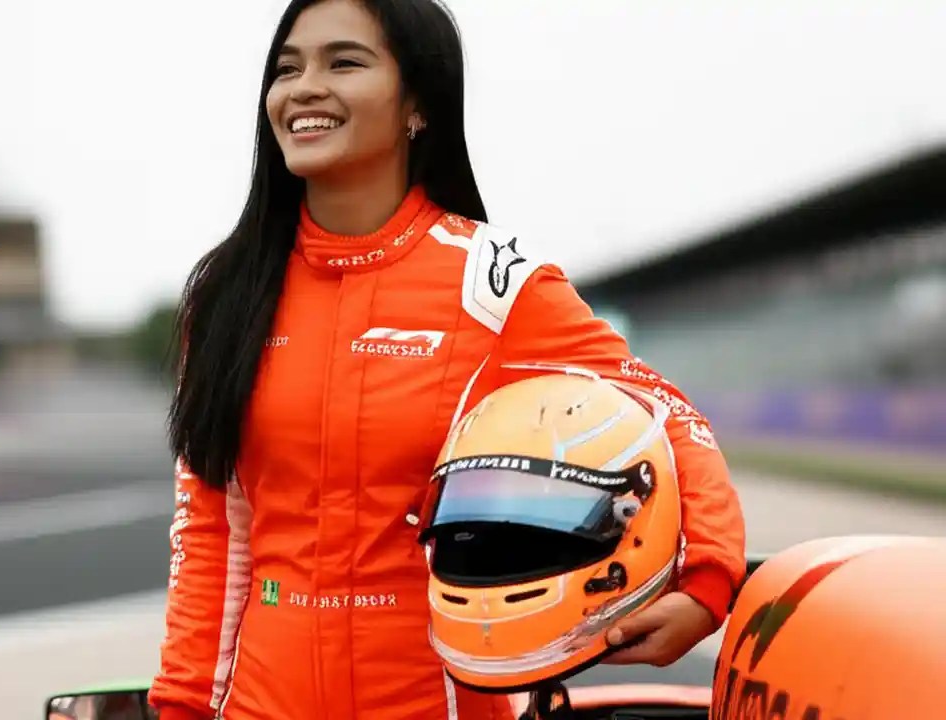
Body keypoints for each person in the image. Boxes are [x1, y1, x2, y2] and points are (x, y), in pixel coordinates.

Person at [148, 0, 746, 718]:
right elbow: (211, 536)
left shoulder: (494, 284)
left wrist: (706, 583)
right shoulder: (227, 297)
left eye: (343, 62)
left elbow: (665, 415)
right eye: (287, 69)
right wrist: (181, 705)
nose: (304, 88)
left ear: (418, 106)